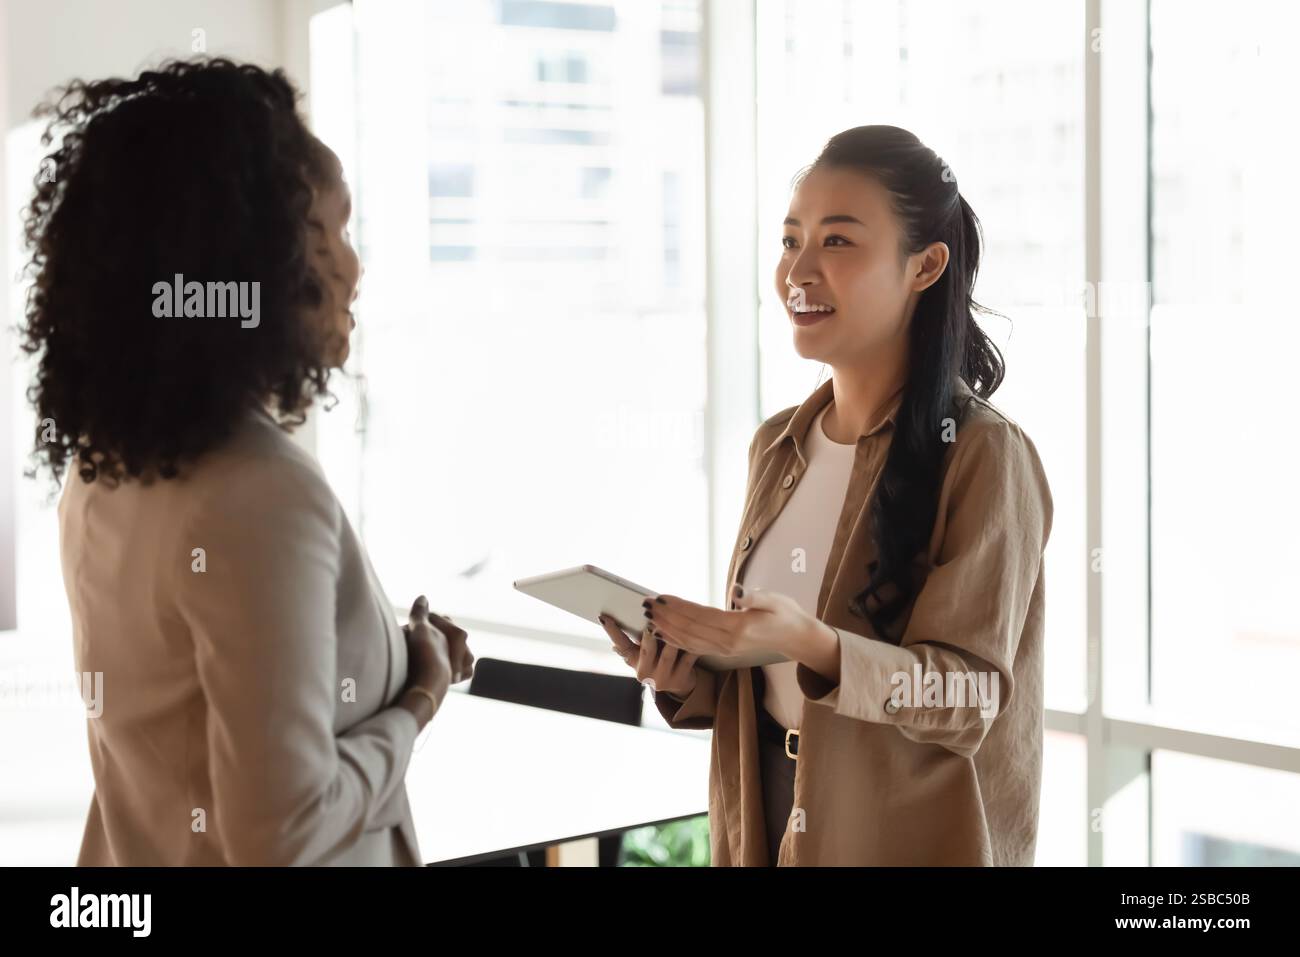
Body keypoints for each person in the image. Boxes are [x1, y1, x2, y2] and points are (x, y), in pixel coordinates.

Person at [20, 58, 472, 865]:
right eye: (334, 229)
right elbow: (279, 830)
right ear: (259, 258)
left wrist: (401, 651)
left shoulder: (102, 470)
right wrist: (421, 697)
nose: (356, 271)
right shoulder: (261, 492)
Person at [602, 125, 1053, 866]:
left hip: (898, 834)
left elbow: (972, 698)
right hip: (766, 809)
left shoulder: (983, 454)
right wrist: (688, 673)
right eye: (789, 240)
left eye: (838, 242)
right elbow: (777, 686)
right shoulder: (777, 444)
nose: (799, 270)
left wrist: (811, 643)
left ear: (925, 265)